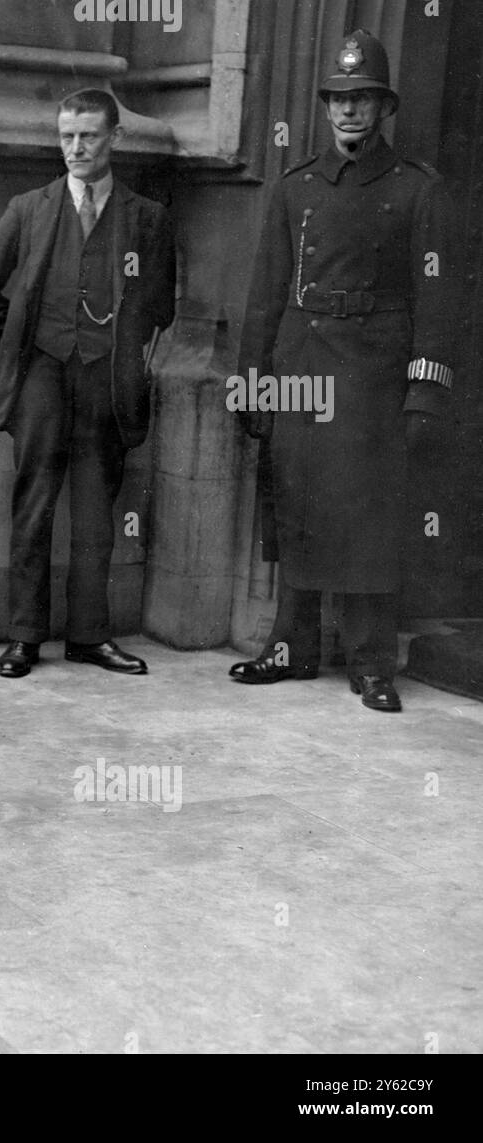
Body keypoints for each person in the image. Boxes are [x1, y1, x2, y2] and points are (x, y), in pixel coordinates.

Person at [231, 29, 456, 713]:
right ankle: (290, 645)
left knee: (368, 515)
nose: (348, 111)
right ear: (326, 106)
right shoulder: (294, 188)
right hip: (302, 365)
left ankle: (372, 661)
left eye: (361, 99)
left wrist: (425, 388)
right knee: (295, 502)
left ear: (383, 108)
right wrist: (252, 380)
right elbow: (266, 293)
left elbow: (438, 299)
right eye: (338, 99)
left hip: (374, 372)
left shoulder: (418, 190)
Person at [0, 88, 175, 680]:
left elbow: (160, 305)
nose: (76, 148)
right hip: (42, 378)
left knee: (95, 516)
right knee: (33, 508)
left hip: (106, 381)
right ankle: (25, 637)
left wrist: (119, 344)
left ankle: (89, 636)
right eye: (67, 136)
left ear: (115, 138)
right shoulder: (30, 208)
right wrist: (22, 345)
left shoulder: (147, 218)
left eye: (89, 136)